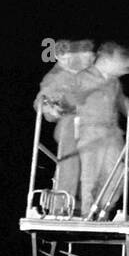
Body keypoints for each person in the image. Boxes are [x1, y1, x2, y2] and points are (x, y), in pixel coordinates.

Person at [76, 43, 129, 219]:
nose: (127, 71)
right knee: (90, 176)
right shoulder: (83, 77)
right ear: (107, 60)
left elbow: (123, 102)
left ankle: (103, 211)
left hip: (112, 135)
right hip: (90, 132)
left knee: (118, 175)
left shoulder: (114, 82)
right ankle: (87, 213)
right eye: (124, 66)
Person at [34, 40, 97, 216]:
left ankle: (88, 207)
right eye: (63, 60)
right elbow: (41, 100)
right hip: (71, 127)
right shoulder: (56, 76)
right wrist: (50, 108)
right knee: (70, 165)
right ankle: (62, 207)